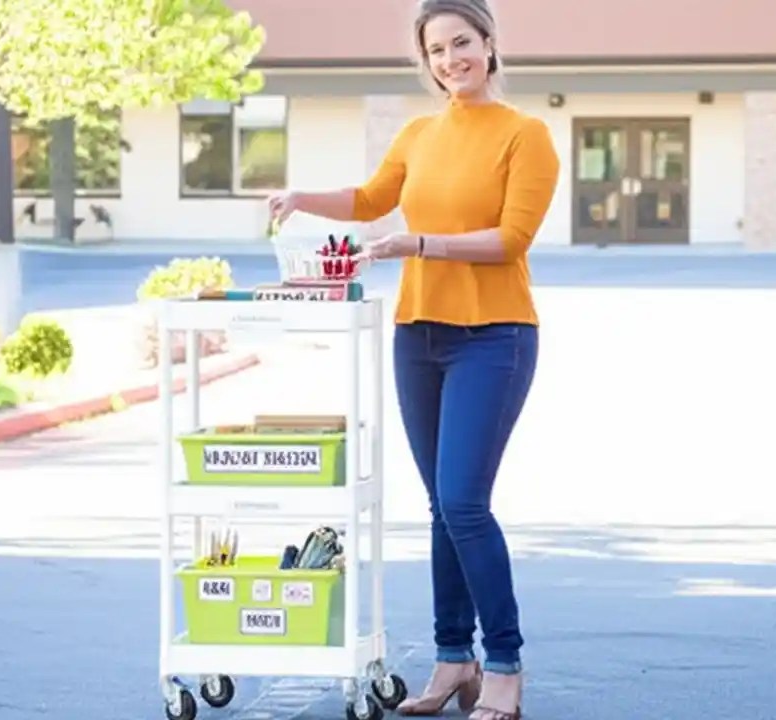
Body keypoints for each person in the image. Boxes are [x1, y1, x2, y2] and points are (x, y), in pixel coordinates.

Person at [266, 0, 559, 716]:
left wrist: (416, 244)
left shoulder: (526, 135)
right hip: (418, 334)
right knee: (441, 508)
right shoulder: (421, 133)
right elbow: (370, 199)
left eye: (462, 42)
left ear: (489, 46)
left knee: (463, 500)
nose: (450, 59)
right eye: (436, 50)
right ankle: (453, 658)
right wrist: (303, 196)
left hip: (494, 335)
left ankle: (506, 664)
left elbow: (509, 240)